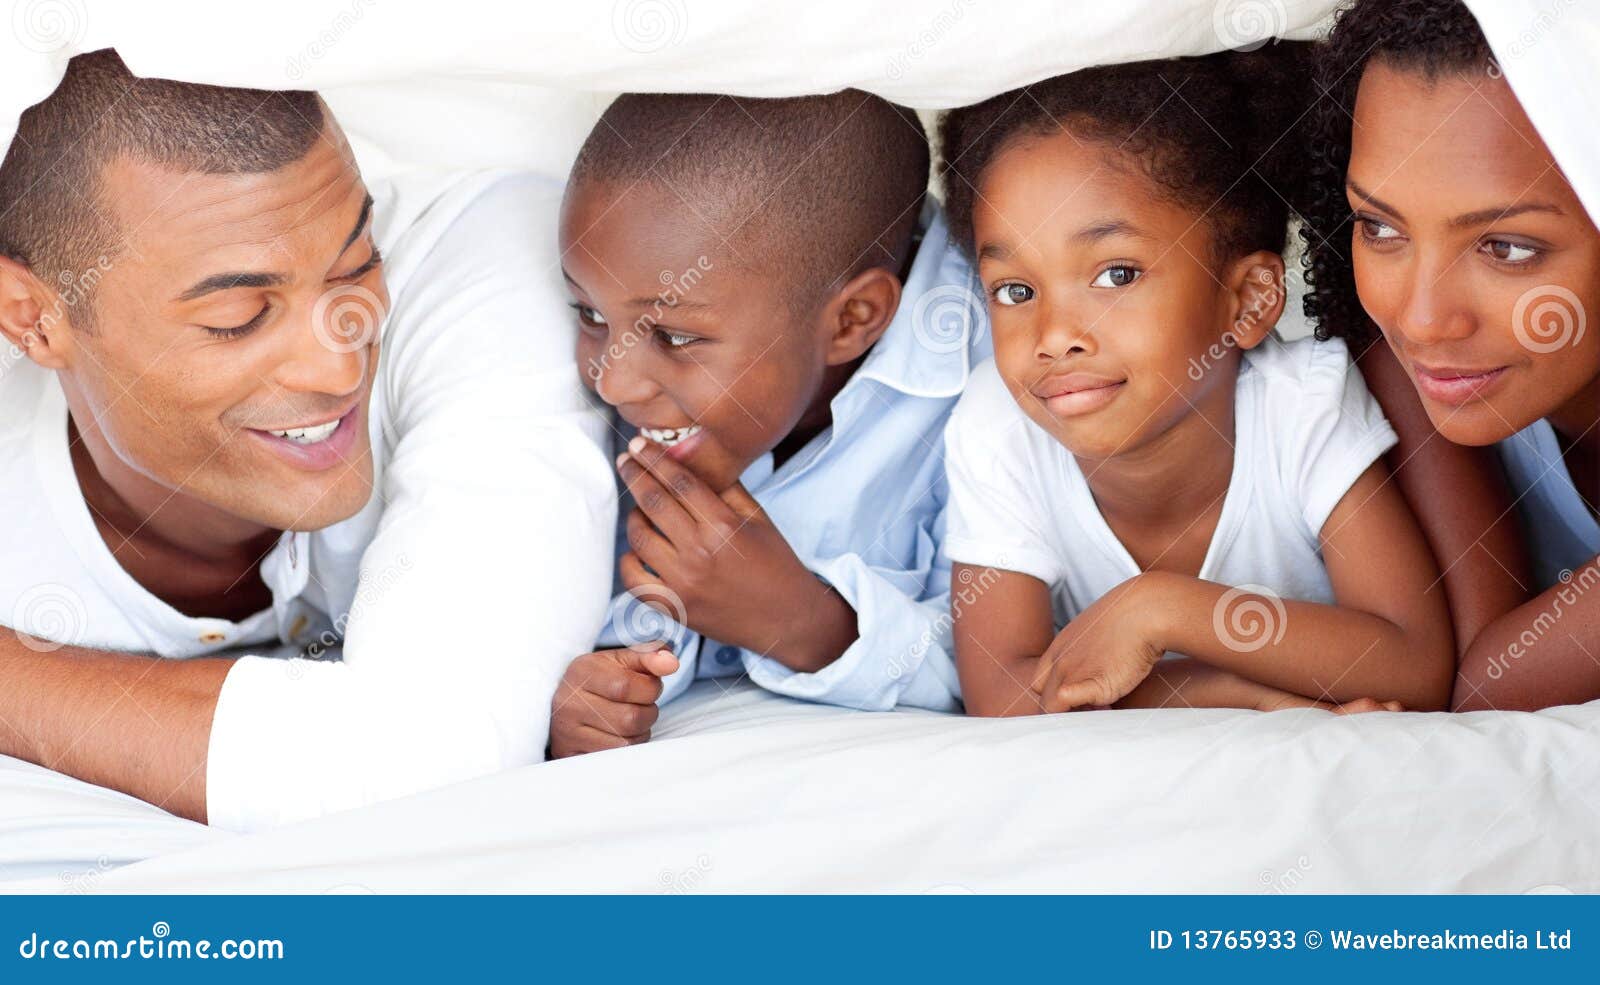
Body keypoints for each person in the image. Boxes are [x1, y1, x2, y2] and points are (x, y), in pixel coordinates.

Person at [0, 50, 614, 830]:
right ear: (32, 317)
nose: (339, 363)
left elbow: (434, 759)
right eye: (239, 319)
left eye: (357, 267)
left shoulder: (482, 255)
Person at [936, 49, 1453, 717]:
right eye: (1014, 290)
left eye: (1116, 275)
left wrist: (1161, 609)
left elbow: (1415, 666)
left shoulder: (1303, 406)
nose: (1054, 335)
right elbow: (1002, 697)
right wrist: (1234, 693)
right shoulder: (999, 426)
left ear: (1248, 300)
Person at [547, 91, 988, 757]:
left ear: (853, 319)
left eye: (673, 336)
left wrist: (798, 622)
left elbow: (1007, 667)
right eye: (589, 314)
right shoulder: (565, 394)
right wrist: (594, 694)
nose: (613, 381)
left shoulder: (998, 378)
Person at [1301, 0, 1600, 711]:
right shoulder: (1398, 361)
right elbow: (1477, 687)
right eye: (1380, 228)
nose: (1424, 320)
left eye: (1508, 248)